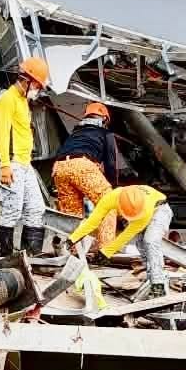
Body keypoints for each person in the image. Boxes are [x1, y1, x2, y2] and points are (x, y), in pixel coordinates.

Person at [70, 183, 173, 299]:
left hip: (160, 210)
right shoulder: (111, 198)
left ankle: (158, 284)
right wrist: (72, 238)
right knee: (141, 244)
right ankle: (152, 281)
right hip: (140, 211)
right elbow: (93, 221)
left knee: (150, 240)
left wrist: (106, 252)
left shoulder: (146, 209)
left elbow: (127, 235)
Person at [0, 55, 48, 252]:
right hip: (12, 163)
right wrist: (4, 164)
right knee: (12, 211)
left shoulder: (22, 100)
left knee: (36, 208)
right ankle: (4, 255)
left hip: (24, 163)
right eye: (37, 85)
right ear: (27, 80)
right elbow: (1, 132)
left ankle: (30, 255)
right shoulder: (7, 100)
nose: (37, 90)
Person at [51, 101, 119, 256]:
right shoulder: (105, 134)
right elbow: (111, 163)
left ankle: (73, 253)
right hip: (81, 165)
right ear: (104, 120)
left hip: (59, 168)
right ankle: (106, 251)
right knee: (109, 205)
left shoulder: (75, 134)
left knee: (71, 216)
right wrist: (113, 187)